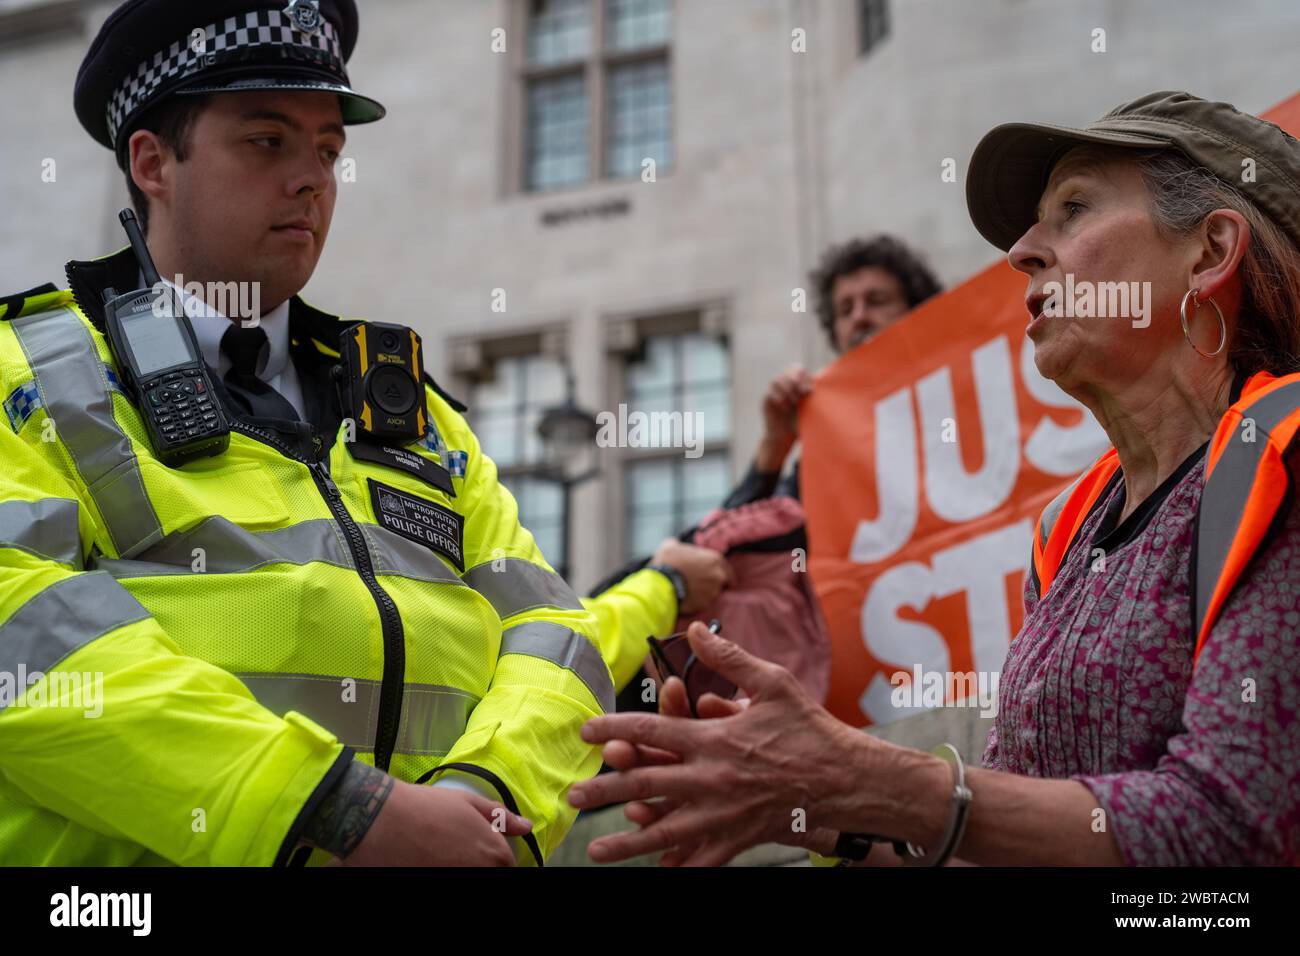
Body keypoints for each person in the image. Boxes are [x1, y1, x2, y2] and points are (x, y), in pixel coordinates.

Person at [566, 91, 1300, 866]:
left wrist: (871, 777)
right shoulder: (1068, 528)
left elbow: (1229, 837)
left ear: (1212, 252)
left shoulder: (1285, 453)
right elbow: (997, 847)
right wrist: (810, 805)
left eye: (1074, 207)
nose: (1021, 249)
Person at [0, 0, 610, 867]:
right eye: (267, 141)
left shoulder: (416, 415)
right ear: (152, 163)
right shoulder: (25, 378)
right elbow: (20, 635)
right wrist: (336, 809)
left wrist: (485, 801)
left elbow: (553, 630)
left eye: (328, 150)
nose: (314, 180)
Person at [722, 235, 942, 508]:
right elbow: (733, 538)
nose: (859, 317)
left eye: (876, 300)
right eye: (845, 309)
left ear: (916, 312)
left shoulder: (960, 399)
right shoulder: (828, 451)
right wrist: (774, 446)